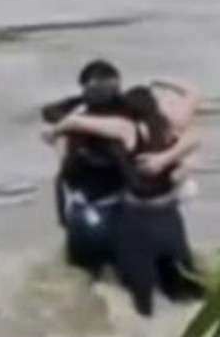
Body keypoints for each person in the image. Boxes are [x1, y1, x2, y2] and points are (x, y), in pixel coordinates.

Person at [48, 85, 204, 316]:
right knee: (188, 286)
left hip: (136, 222)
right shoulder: (169, 127)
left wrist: (54, 133)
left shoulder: (127, 129)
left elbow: (77, 123)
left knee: (141, 294)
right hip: (170, 218)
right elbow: (195, 117)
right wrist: (165, 158)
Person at [40, 60, 131, 277]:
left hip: (85, 210)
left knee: (81, 277)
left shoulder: (77, 118)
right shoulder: (128, 115)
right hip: (124, 211)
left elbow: (49, 113)